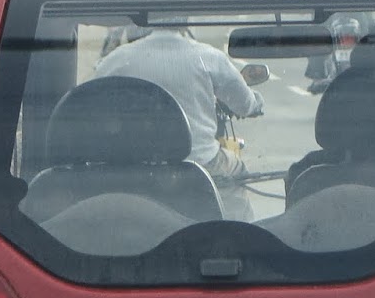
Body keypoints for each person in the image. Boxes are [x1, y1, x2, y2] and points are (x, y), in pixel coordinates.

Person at [91, 26, 267, 190]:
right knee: (237, 173)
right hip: (202, 163)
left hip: (135, 169)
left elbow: (90, 100)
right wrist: (256, 104)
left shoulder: (118, 59)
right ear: (184, 23)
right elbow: (245, 104)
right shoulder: (208, 56)